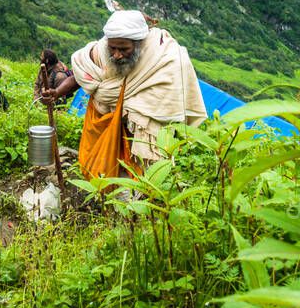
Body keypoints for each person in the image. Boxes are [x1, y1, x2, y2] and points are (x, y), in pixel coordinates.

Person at [43, 10, 206, 180]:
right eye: (112, 48)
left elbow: (166, 100)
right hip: (107, 122)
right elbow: (83, 74)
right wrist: (57, 92)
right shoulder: (100, 51)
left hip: (137, 130)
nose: (117, 55)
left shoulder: (163, 57)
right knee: (103, 170)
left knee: (141, 175)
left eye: (124, 49)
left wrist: (132, 107)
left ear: (139, 43)